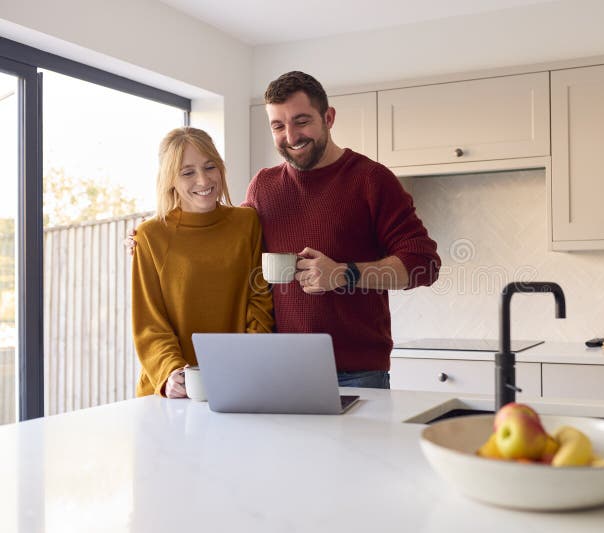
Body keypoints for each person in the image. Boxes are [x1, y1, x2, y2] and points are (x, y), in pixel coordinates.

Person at [129, 72, 440, 389]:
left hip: (355, 375)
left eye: (301, 121)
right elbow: (221, 232)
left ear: (328, 118)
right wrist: (156, 234)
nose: (291, 136)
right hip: (277, 372)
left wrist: (345, 274)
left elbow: (425, 264)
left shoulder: (372, 180)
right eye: (278, 126)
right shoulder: (264, 186)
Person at [132, 127, 274, 398]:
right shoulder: (150, 236)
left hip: (236, 382)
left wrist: (249, 359)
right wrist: (171, 372)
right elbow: (149, 322)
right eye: (188, 172)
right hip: (172, 391)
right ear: (170, 179)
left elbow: (260, 300)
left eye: (210, 167)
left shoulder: (246, 223)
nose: (203, 179)